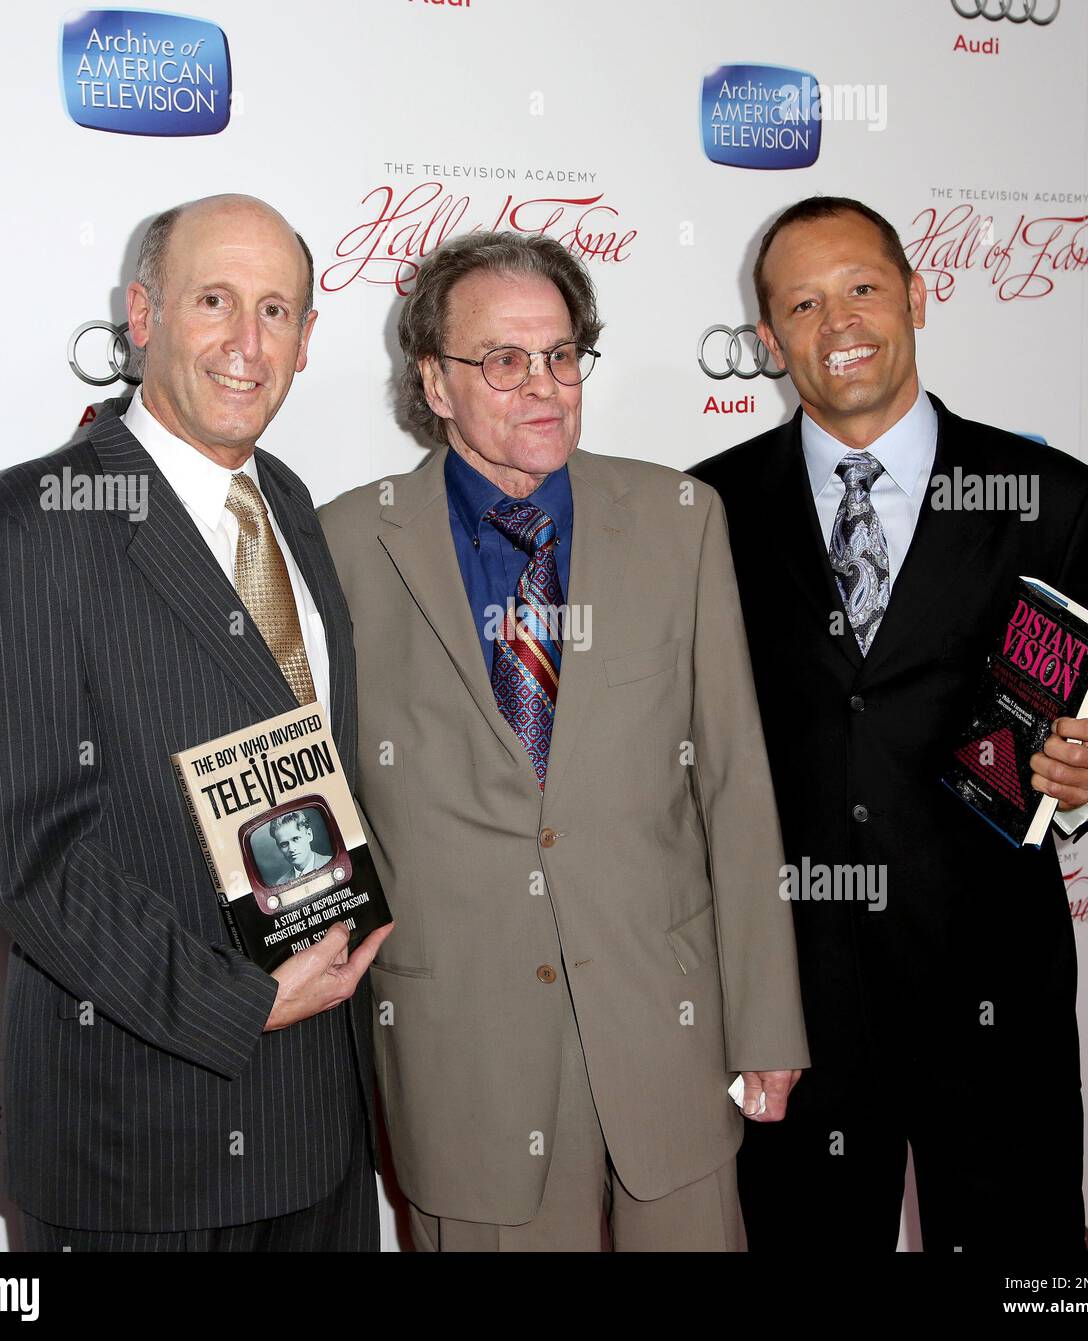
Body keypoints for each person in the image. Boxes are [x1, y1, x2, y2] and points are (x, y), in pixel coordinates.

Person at [690, 196, 1088, 1252]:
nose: (837, 321)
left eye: (861, 287)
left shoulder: (1047, 495)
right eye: (801, 304)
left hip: (991, 983)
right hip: (791, 1002)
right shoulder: (706, 511)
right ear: (767, 339)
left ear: (915, 293)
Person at [319, 231, 808, 1252]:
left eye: (561, 353)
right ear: (435, 383)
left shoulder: (680, 521)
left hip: (666, 1036)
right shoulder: (344, 544)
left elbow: (732, 783)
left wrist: (766, 1020)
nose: (543, 385)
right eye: (503, 359)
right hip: (465, 1058)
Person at [0, 194, 391, 1252]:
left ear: (308, 341)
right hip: (141, 1143)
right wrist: (236, 1004)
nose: (246, 343)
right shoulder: (24, 528)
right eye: (214, 301)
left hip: (320, 1126)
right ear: (141, 315)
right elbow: (29, 854)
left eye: (277, 311)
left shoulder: (287, 500)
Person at [270, 811, 326, 882]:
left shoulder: (328, 863)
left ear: (309, 835)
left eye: (296, 839)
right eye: (284, 844)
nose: (291, 849)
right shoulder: (280, 883)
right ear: (279, 847)